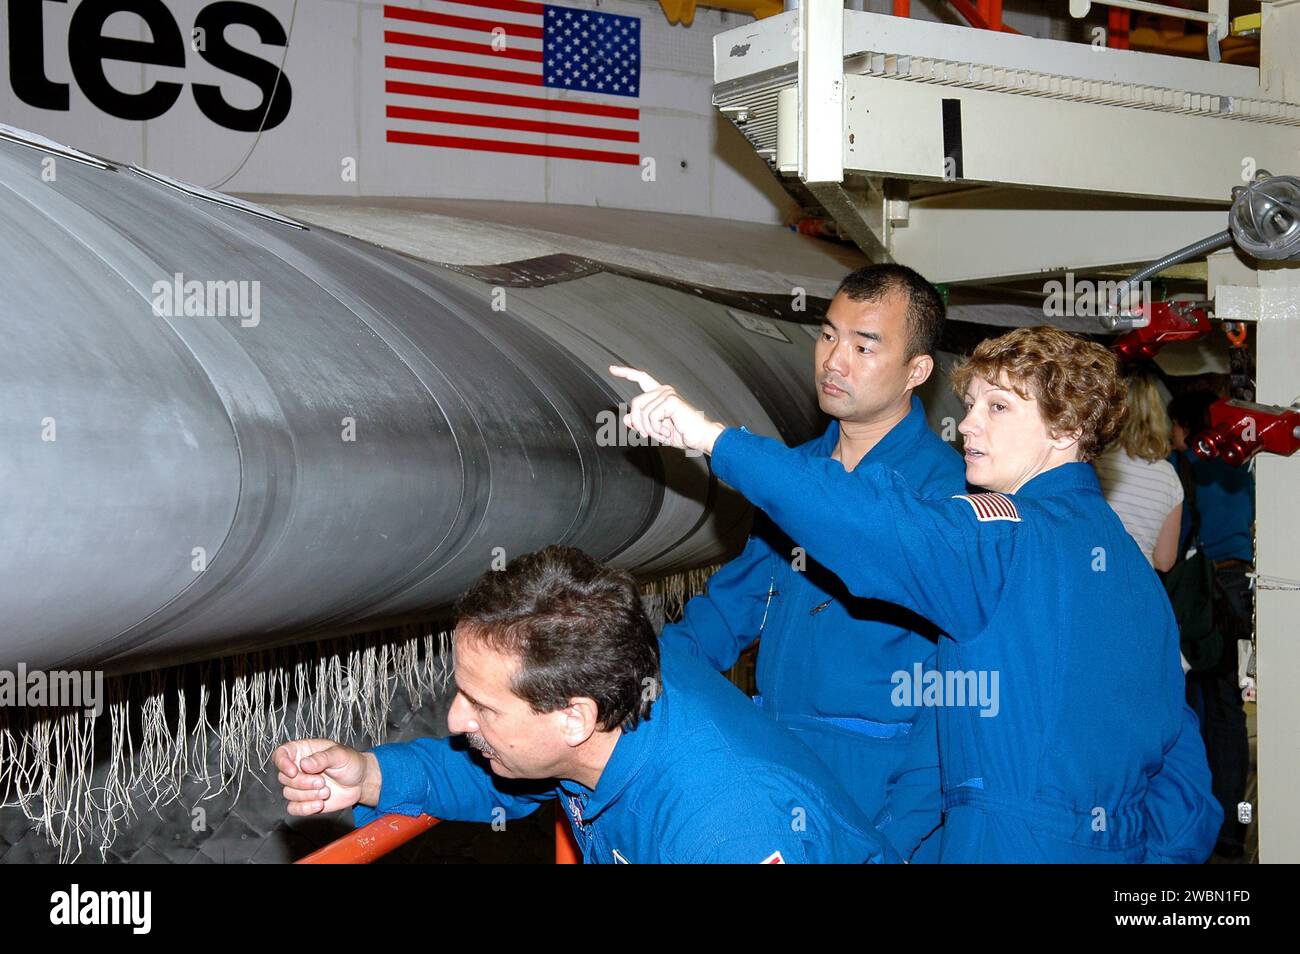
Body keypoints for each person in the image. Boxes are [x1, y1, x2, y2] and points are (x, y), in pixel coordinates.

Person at [614, 325, 1221, 863]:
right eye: (972, 404)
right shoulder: (1131, 569)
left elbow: (868, 524)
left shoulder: (1006, 537)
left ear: (1066, 429)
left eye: (1000, 407)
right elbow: (1181, 769)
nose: (970, 424)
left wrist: (711, 437)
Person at [273, 546, 894, 864]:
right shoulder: (618, 690)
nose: (458, 719)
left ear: (575, 717)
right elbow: (507, 770)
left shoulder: (728, 830)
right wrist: (371, 775)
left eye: (482, 706)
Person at [657, 264, 964, 861]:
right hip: (783, 772)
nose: (834, 361)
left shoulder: (945, 498)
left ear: (917, 371)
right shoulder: (793, 476)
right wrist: (624, 676)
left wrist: (897, 839)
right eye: (828, 336)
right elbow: (729, 612)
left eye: (864, 346)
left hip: (885, 794)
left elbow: (951, 704)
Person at [1168, 390, 1254, 859]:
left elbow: (1175, 544)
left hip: (1201, 592)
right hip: (1239, 586)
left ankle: (1191, 822)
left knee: (1185, 707)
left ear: (1185, 425)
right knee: (1229, 712)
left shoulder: (1186, 469)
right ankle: (1234, 827)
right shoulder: (1240, 463)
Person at [1093, 368, 1183, 572]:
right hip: (1138, 590)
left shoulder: (1094, 463)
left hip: (1093, 577)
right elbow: (1164, 561)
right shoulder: (1169, 476)